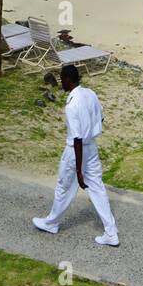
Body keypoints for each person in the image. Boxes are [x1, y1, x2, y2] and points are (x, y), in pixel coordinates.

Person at [32, 65, 119, 246]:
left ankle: (52, 223)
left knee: (64, 187)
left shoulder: (72, 105)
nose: (61, 82)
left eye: (62, 79)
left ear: (68, 79)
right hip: (92, 148)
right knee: (97, 188)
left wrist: (79, 171)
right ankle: (111, 232)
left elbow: (77, 138)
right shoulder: (91, 94)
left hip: (75, 151)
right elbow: (100, 117)